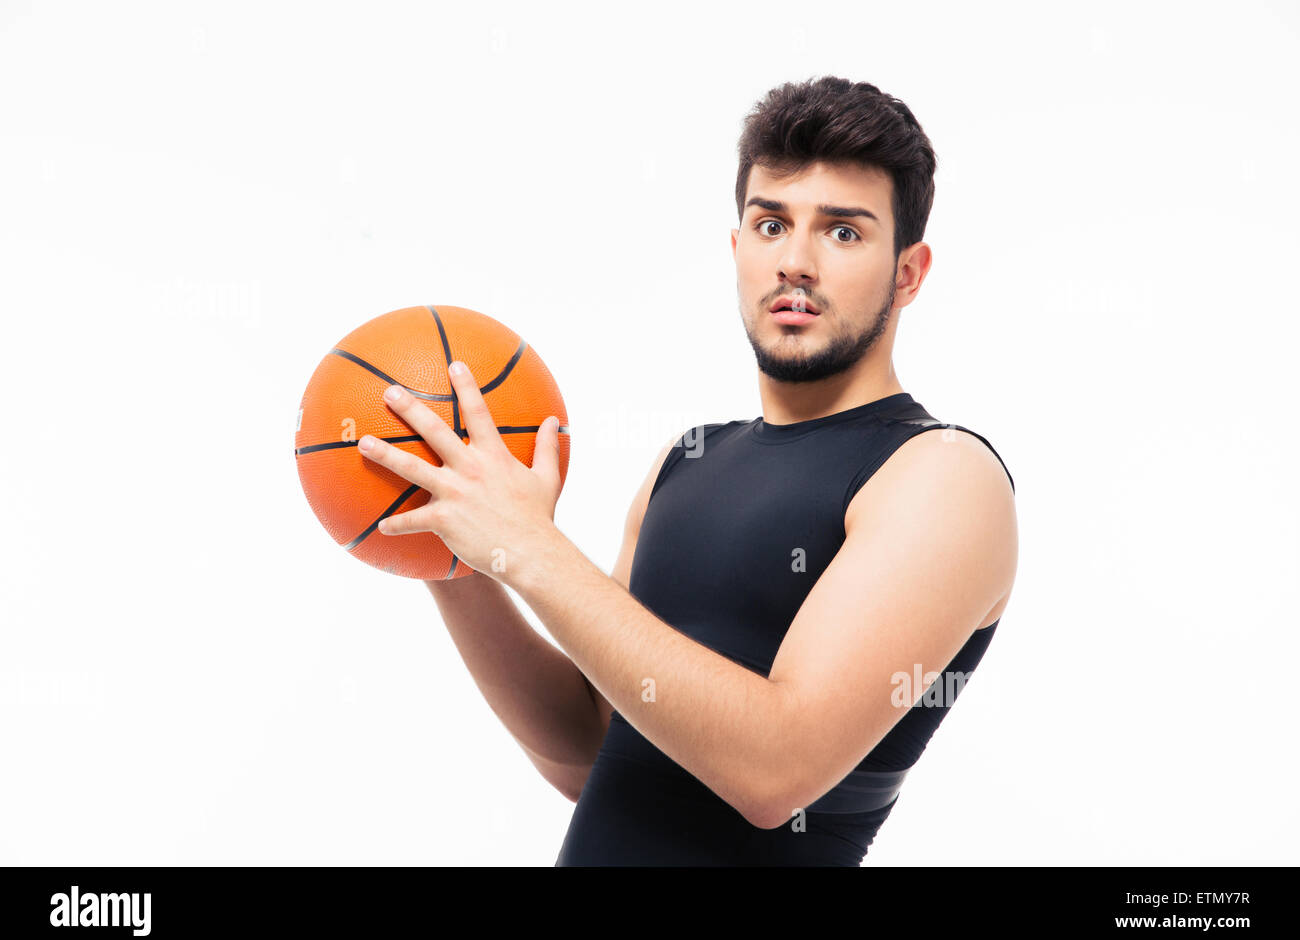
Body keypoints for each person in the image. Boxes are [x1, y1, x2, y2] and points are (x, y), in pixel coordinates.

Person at [385, 75, 1018, 865]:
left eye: (844, 233)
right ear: (737, 248)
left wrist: (531, 548)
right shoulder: (687, 462)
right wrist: (457, 554)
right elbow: (588, 749)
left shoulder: (944, 476)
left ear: (909, 272)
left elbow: (774, 769)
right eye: (770, 224)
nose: (795, 261)